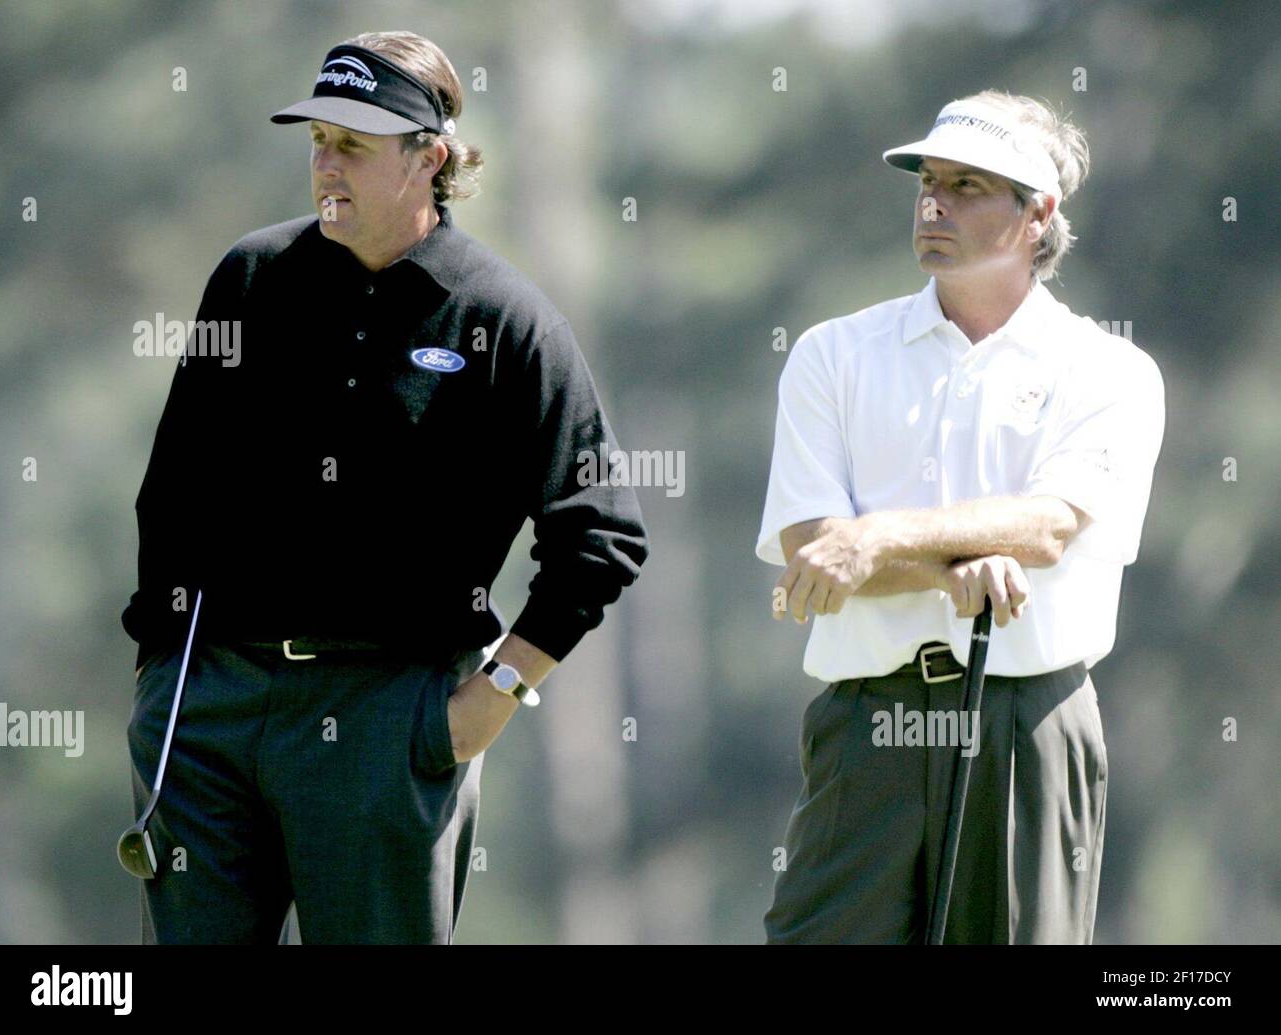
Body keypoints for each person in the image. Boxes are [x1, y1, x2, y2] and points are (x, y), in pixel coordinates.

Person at [122, 30, 648, 944]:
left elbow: (599, 535)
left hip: (387, 718)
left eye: (354, 146)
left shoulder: (501, 315)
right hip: (210, 712)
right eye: (319, 140)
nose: (327, 164)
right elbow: (173, 489)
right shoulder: (251, 278)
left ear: (429, 159)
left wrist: (491, 700)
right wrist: (161, 679)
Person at [755, 90, 1165, 943]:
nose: (934, 202)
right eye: (928, 182)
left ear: (1037, 214)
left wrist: (877, 538)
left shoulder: (1110, 370)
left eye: (968, 185)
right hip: (868, 723)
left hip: (1029, 725)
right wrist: (960, 564)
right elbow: (810, 552)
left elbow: (1049, 526)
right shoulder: (831, 354)